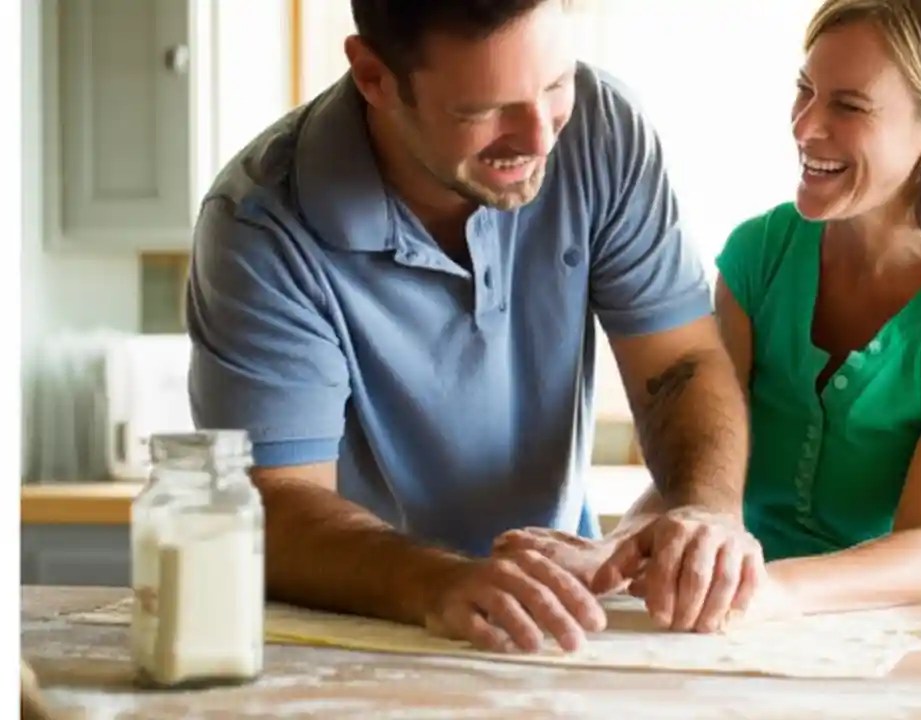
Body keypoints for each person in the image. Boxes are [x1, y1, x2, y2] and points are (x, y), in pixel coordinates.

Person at [501, 0, 921, 712]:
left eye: (849, 105)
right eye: (806, 90)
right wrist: (616, 554)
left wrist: (763, 589)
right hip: (761, 644)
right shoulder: (761, 254)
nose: (806, 126)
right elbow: (700, 469)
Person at [184, 0, 764, 656]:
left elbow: (681, 362)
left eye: (554, 85)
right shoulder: (260, 227)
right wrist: (438, 582)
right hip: (357, 632)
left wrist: (706, 510)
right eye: (482, 111)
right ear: (374, 78)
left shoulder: (603, 129)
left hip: (561, 622)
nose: (542, 138)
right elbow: (275, 503)